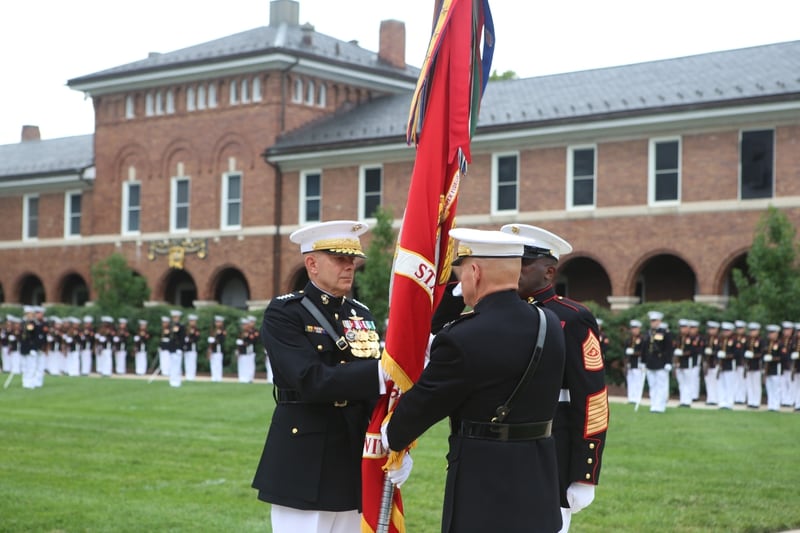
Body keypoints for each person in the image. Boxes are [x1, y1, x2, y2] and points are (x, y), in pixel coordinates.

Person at [385, 227, 566, 533]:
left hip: (485, 485)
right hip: (539, 477)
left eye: (462, 273)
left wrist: (393, 435)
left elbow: (424, 403)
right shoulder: (548, 322)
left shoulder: (464, 337)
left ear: (475, 272)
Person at [251, 220, 385, 533]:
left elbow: (370, 392)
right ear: (312, 264)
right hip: (305, 454)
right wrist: (381, 372)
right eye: (340, 258)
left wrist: (390, 436)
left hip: (353, 451)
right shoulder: (286, 313)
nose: (349, 266)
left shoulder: (360, 314)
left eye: (352, 259)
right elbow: (311, 380)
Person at [499, 223, 608, 532]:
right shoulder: (496, 313)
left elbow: (592, 397)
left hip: (551, 450)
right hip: (500, 449)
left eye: (523, 263)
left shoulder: (571, 318)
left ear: (548, 272)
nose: (514, 270)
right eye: (510, 261)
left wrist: (584, 474)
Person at [642, 310, 673, 413]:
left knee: (661, 385)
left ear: (659, 321)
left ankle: (660, 405)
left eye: (655, 321)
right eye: (652, 321)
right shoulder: (648, 333)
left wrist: (668, 362)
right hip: (650, 363)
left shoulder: (665, 333)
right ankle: (654, 404)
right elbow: (644, 349)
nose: (653, 323)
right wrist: (643, 361)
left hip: (661, 362)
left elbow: (669, 348)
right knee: (652, 385)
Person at [743, 322, 764, 409]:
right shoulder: (747, 340)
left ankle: (756, 402)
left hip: (757, 365)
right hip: (749, 365)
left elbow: (762, 353)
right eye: (751, 330)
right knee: (749, 384)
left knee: (756, 384)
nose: (752, 332)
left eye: (754, 330)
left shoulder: (761, 341)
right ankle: (751, 401)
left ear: (758, 331)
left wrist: (754, 355)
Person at [717, 321, 737, 410]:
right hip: (721, 365)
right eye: (724, 330)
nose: (725, 332)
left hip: (730, 365)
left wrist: (726, 355)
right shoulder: (721, 340)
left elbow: (737, 353)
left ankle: (729, 402)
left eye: (727, 330)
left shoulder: (735, 341)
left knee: (730, 384)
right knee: (721, 384)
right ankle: (722, 402)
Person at [624, 319, 645, 404]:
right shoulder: (629, 339)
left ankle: (637, 398)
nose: (634, 330)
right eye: (633, 328)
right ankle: (631, 398)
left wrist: (634, 352)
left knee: (637, 381)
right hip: (630, 363)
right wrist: (625, 364)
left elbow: (643, 351)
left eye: (636, 328)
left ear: (639, 329)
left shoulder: (642, 339)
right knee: (630, 381)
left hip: (638, 363)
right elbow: (625, 352)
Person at [763, 324, 783, 411]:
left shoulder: (780, 344)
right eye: (769, 333)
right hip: (768, 369)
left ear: (776, 334)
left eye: (772, 333)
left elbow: (783, 357)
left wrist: (773, 359)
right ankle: (771, 405)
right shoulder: (767, 344)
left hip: (776, 368)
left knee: (776, 387)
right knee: (769, 387)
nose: (770, 335)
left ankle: (776, 405)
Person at [702, 321, 721, 405]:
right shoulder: (706, 338)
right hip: (707, 363)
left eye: (713, 329)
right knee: (708, 381)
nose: (711, 330)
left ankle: (716, 399)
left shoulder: (719, 339)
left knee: (716, 381)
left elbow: (720, 350)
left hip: (715, 362)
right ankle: (710, 398)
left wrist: (713, 352)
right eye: (710, 329)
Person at [167, 310, 185, 388]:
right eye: (174, 317)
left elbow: (182, 338)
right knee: (172, 366)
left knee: (177, 366)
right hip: (172, 349)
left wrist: (180, 348)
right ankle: (172, 380)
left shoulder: (181, 326)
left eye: (176, 317)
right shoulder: (170, 326)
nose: (175, 319)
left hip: (178, 349)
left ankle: (177, 381)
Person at [207, 315, 226, 382]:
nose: (217, 323)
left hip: (218, 349)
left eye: (219, 322)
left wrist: (214, 340)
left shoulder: (222, 330)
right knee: (213, 363)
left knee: (218, 364)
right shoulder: (214, 330)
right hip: (213, 349)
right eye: (216, 322)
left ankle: (218, 377)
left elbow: (222, 340)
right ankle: (214, 376)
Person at [184, 314, 200, 381]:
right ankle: (188, 375)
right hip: (186, 348)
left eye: (193, 321)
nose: (192, 322)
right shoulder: (187, 329)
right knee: (187, 362)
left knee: (192, 362)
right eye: (190, 321)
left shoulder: (196, 329)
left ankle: (192, 376)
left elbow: (196, 338)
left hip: (192, 348)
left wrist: (190, 339)